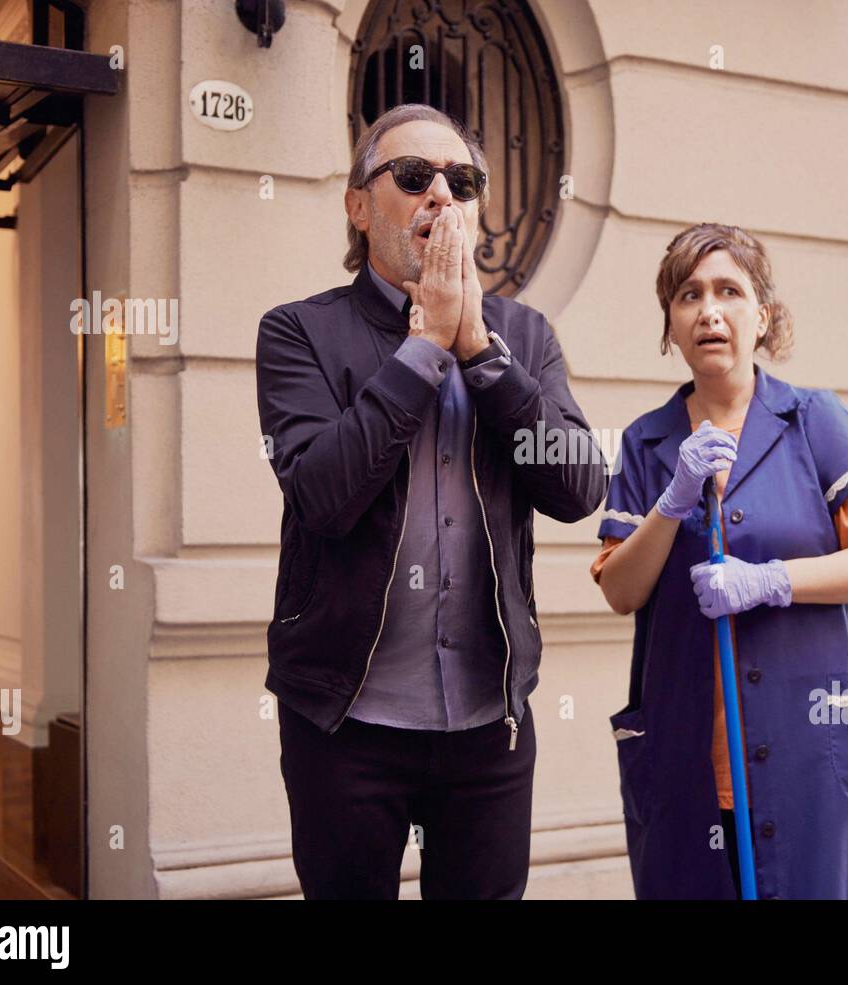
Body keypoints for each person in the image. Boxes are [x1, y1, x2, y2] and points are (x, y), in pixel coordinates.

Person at [255, 103, 608, 899]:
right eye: (414, 178)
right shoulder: (298, 332)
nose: (441, 195)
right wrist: (423, 349)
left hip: (489, 724)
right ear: (358, 205)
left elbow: (579, 484)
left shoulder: (526, 333)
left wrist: (480, 352)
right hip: (345, 721)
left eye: (463, 181)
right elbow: (321, 494)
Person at [591, 223, 848, 899]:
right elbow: (621, 589)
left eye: (729, 291)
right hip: (691, 763)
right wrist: (672, 501)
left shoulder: (815, 421)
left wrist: (769, 581)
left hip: (814, 760)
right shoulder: (648, 444)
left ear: (762, 316)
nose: (709, 309)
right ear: (672, 326)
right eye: (688, 295)